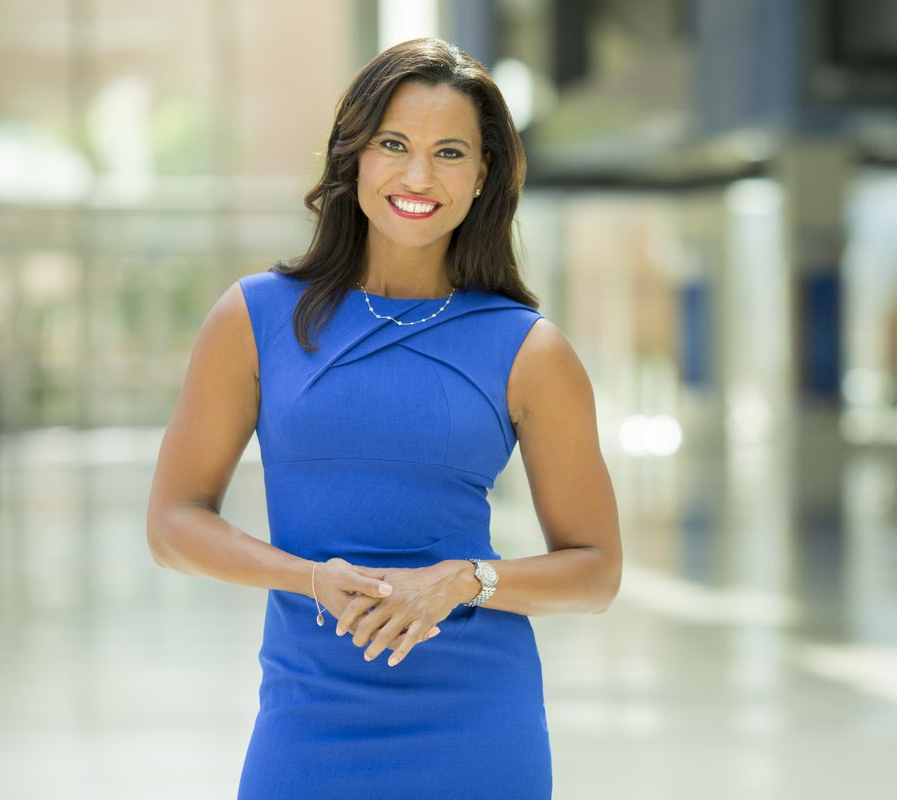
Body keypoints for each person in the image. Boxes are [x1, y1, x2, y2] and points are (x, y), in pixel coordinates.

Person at [146, 36, 621, 799]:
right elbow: (172, 525)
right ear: (354, 156)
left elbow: (596, 572)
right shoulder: (254, 319)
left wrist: (467, 581)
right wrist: (306, 578)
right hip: (308, 720)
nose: (418, 177)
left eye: (449, 153)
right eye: (393, 145)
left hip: (476, 725)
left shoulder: (530, 350)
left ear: (483, 175)